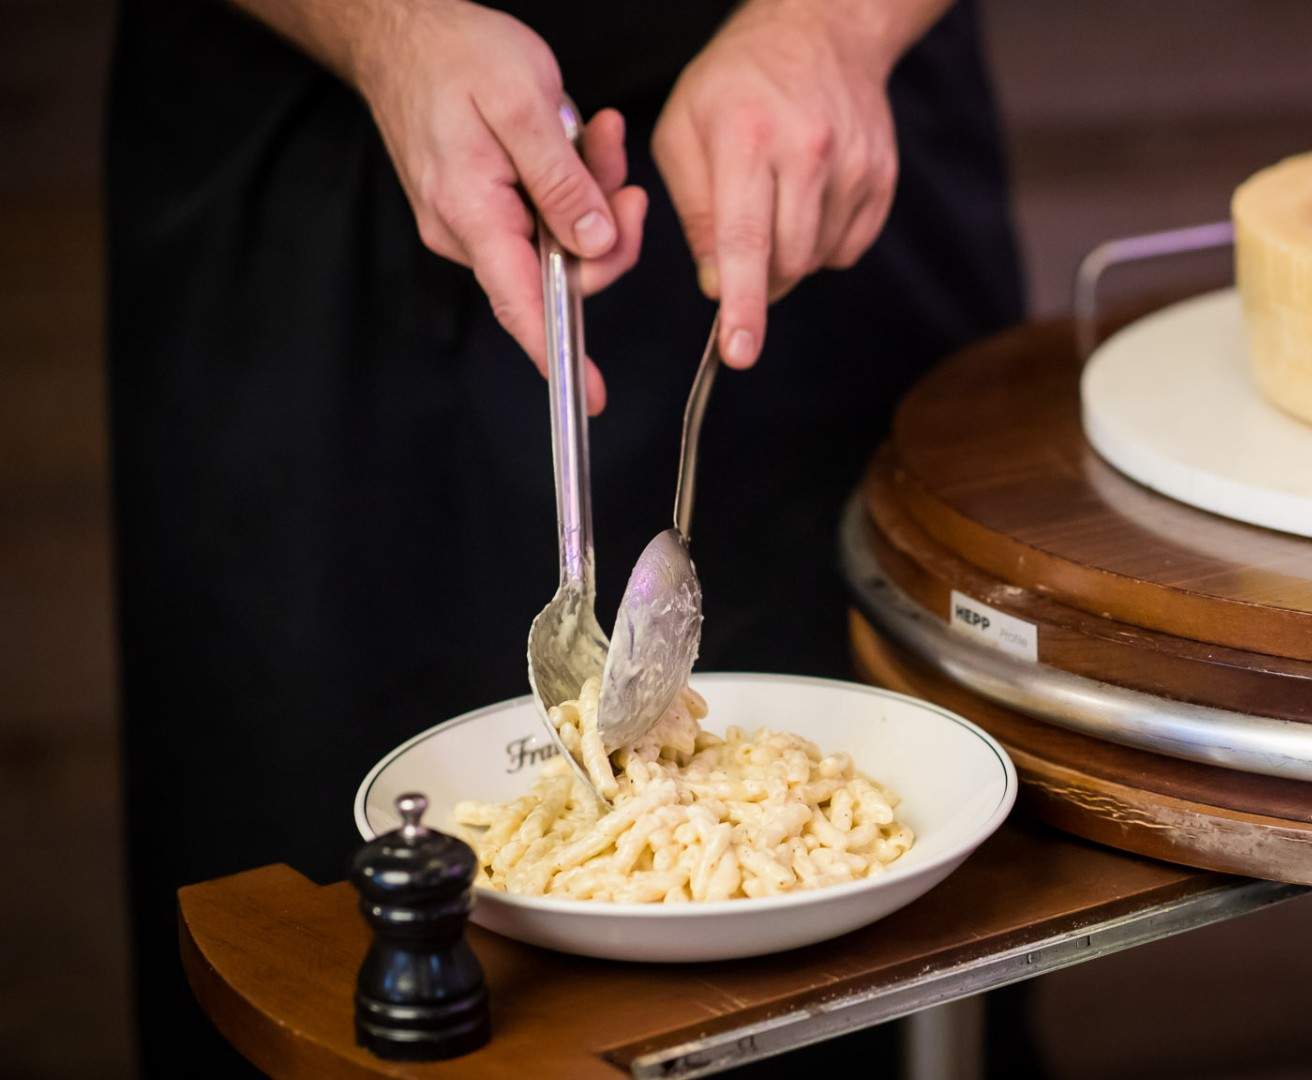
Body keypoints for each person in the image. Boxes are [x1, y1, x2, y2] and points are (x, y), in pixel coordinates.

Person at [107, 0, 1024, 1071]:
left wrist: (836, 27)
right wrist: (386, 29)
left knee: (869, 1001)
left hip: (811, 137)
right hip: (309, 164)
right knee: (319, 948)